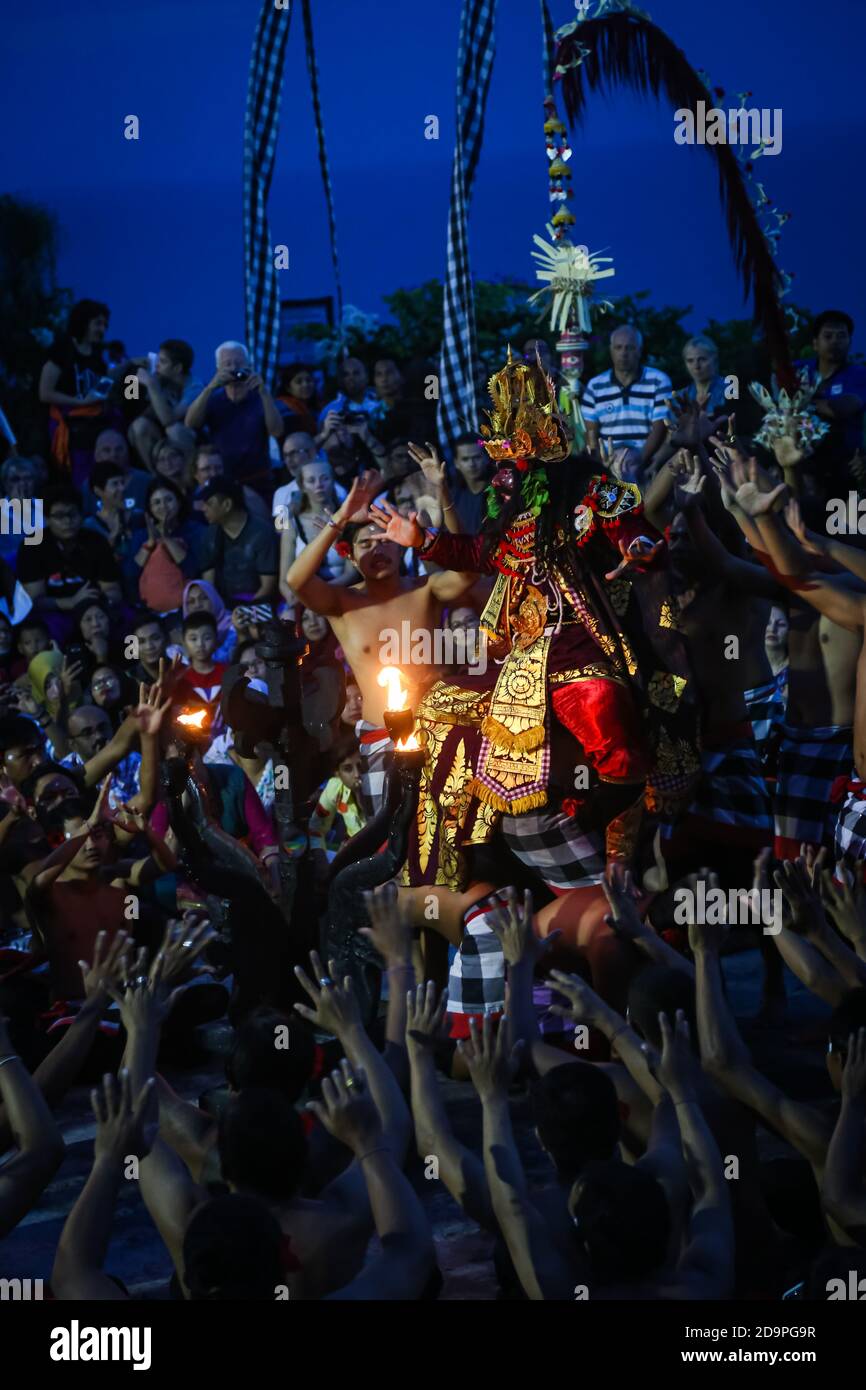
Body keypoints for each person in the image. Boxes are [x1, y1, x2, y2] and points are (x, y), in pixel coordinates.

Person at [366, 352, 699, 888]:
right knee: (437, 709)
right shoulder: (506, 495)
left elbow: (633, 528)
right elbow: (482, 554)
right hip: (519, 657)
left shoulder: (590, 483)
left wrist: (637, 545)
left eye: (518, 443)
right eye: (503, 447)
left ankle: (611, 852)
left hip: (578, 649)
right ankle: (447, 864)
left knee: (614, 731)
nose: (507, 464)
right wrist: (424, 541)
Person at [286, 469, 477, 819]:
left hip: (441, 730)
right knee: (395, 847)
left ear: (401, 544)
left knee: (460, 835)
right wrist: (341, 517)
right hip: (380, 743)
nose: (378, 549)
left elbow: (468, 568)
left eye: (386, 539)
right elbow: (295, 580)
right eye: (366, 543)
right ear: (348, 554)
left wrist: (442, 491)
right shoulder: (340, 604)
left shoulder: (426, 589)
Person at [16, 486, 122, 634]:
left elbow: (113, 590)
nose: (67, 521)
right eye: (59, 516)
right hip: (54, 613)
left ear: (81, 515)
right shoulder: (32, 545)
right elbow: (34, 601)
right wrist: (71, 602)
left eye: (72, 514)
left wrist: (95, 604)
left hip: (94, 607)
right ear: (47, 519)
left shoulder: (96, 542)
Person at [184, 341, 284, 490]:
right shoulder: (213, 399)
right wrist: (210, 388)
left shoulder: (260, 397)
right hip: (222, 477)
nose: (233, 368)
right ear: (218, 369)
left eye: (238, 363)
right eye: (227, 364)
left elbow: (277, 431)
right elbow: (190, 423)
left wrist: (263, 392)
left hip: (257, 476)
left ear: (248, 366)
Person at [582, 325, 672, 479]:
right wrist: (600, 464)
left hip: (644, 459)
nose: (623, 353)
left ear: (639, 350)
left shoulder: (658, 381)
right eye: (618, 347)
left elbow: (660, 428)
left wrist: (640, 462)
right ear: (611, 350)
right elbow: (591, 432)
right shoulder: (595, 386)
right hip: (608, 460)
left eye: (629, 348)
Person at [196, 478, 278, 609]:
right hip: (224, 608)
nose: (203, 508)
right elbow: (208, 584)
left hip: (261, 605)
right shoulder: (209, 535)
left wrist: (246, 611)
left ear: (227, 505)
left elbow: (268, 586)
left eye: (209, 503)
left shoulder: (262, 533)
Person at [128, 338, 201, 468]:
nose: (157, 365)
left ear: (177, 368)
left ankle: (188, 478)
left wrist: (151, 385)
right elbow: (132, 404)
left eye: (163, 362)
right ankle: (156, 478)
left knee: (174, 430)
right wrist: (131, 371)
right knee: (139, 426)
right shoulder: (159, 378)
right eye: (158, 359)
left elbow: (169, 420)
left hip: (187, 437)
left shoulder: (194, 388)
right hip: (158, 434)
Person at [677, 334, 730, 417]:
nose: (696, 366)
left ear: (715, 360)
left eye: (702, 359)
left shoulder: (730, 389)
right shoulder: (680, 397)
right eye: (690, 361)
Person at [274, 362, 319, 437]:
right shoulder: (284, 409)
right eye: (299, 382)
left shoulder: (315, 407)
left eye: (309, 380)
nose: (305, 385)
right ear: (288, 388)